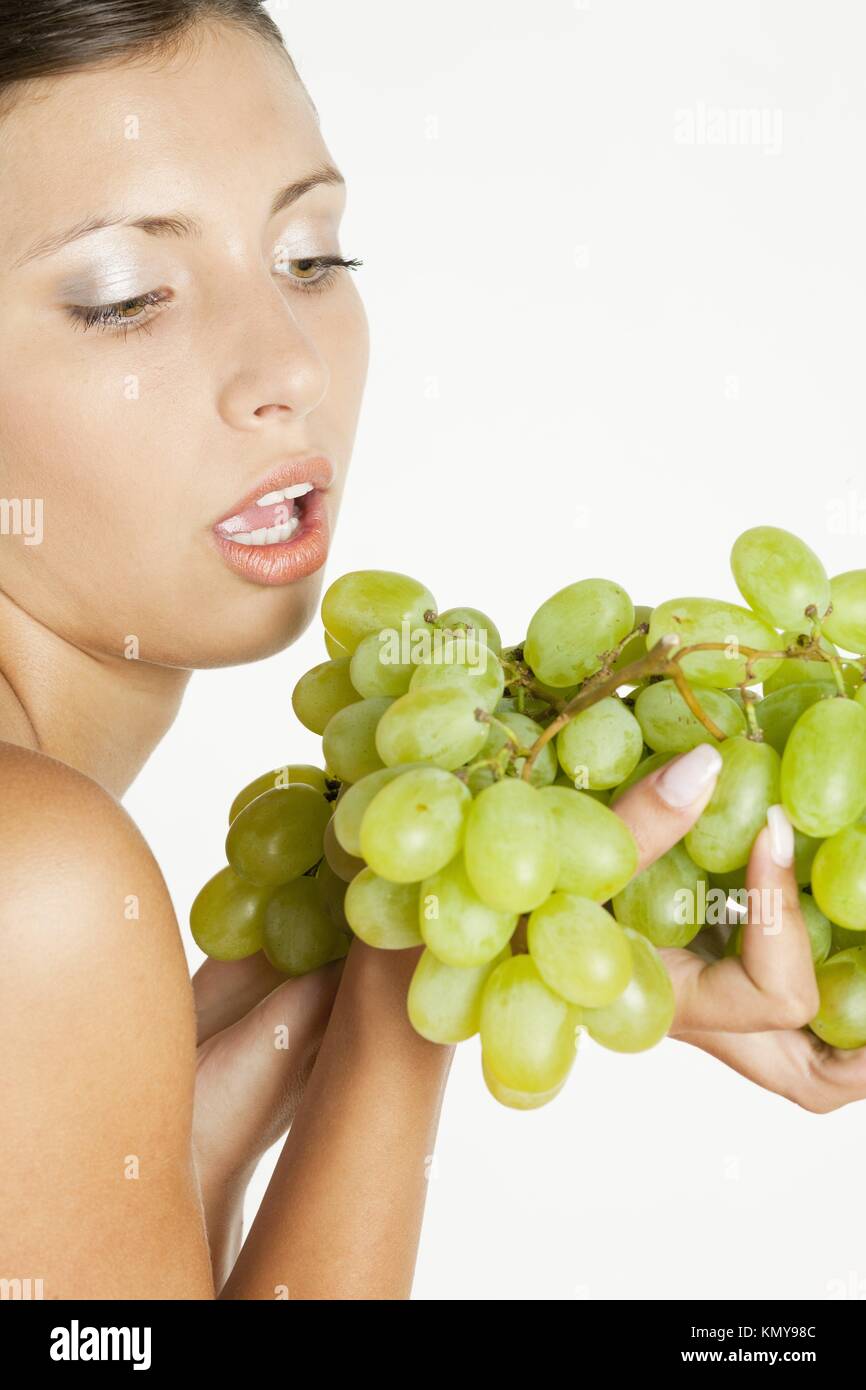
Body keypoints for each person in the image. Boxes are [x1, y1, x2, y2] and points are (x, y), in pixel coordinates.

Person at [0, 0, 861, 1303]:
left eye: (309, 257)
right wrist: (417, 994)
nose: (284, 363)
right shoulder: (41, 884)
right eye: (127, 298)